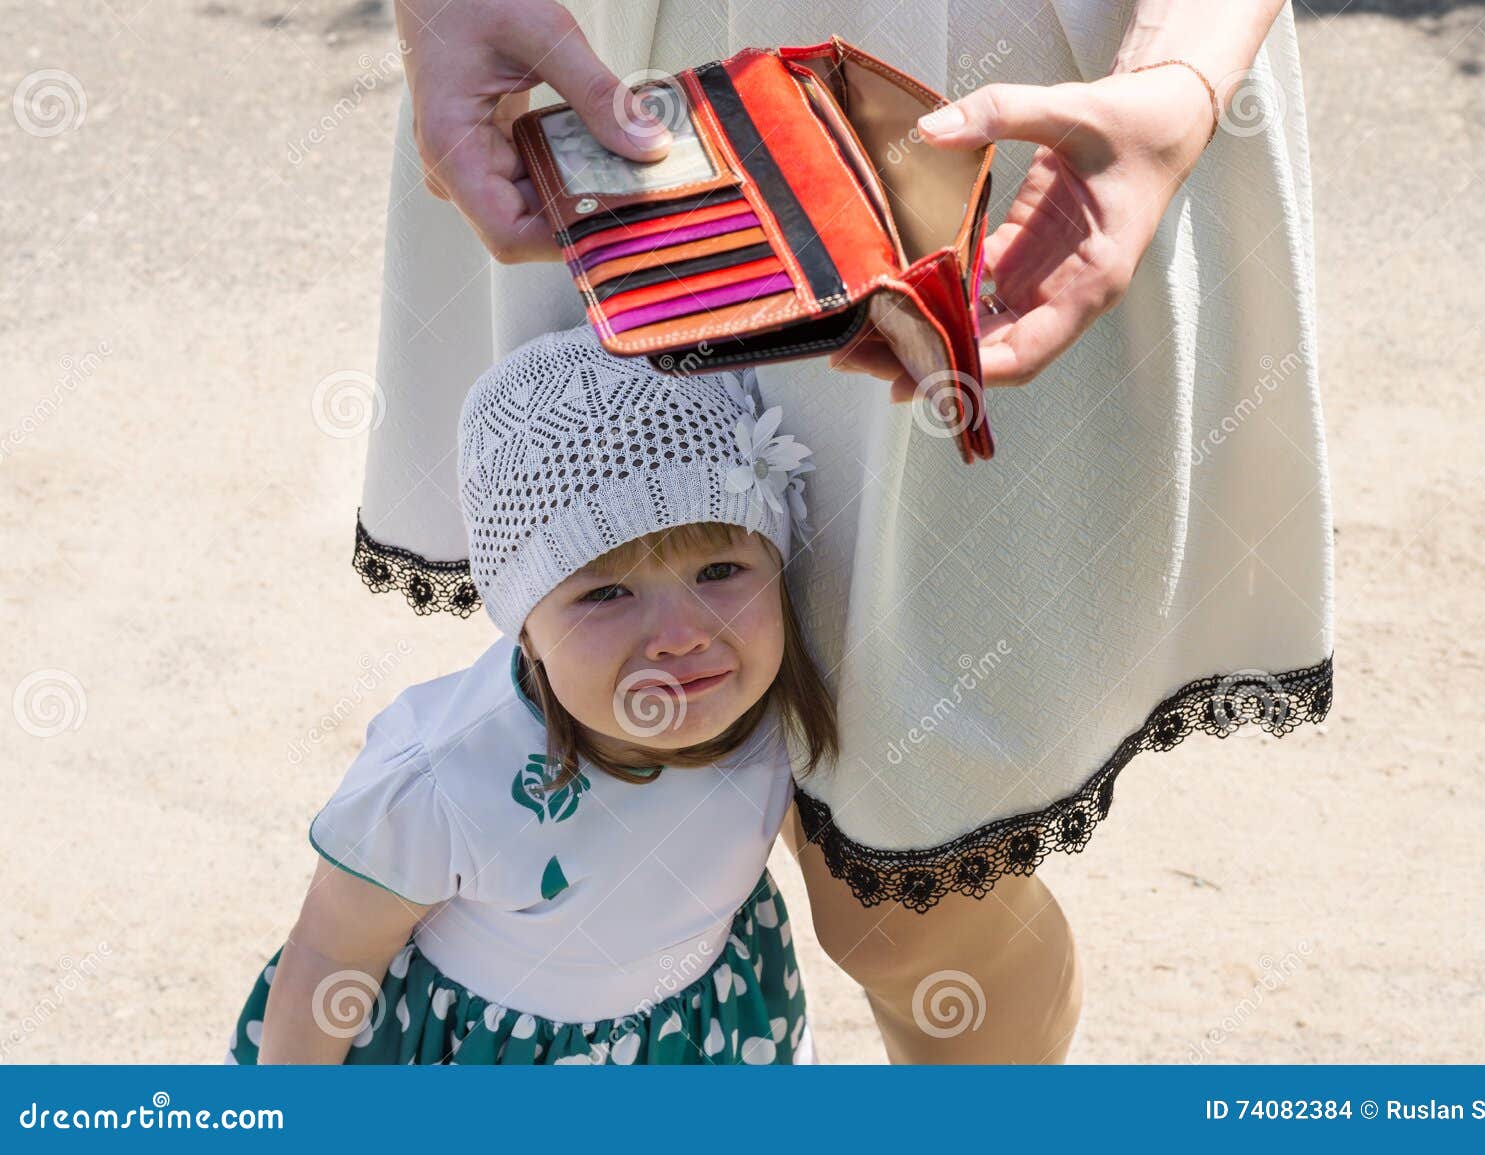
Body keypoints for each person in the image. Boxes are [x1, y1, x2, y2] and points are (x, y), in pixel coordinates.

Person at [356, 0, 1334, 1062]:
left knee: (907, 896)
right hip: (611, 65)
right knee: (663, 723)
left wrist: (1174, 81)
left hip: (984, 93)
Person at [228, 326, 831, 1063]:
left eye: (720, 572)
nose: (681, 635)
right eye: (606, 592)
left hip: (701, 1028)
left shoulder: (780, 708)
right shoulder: (447, 778)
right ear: (526, 632)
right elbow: (330, 955)